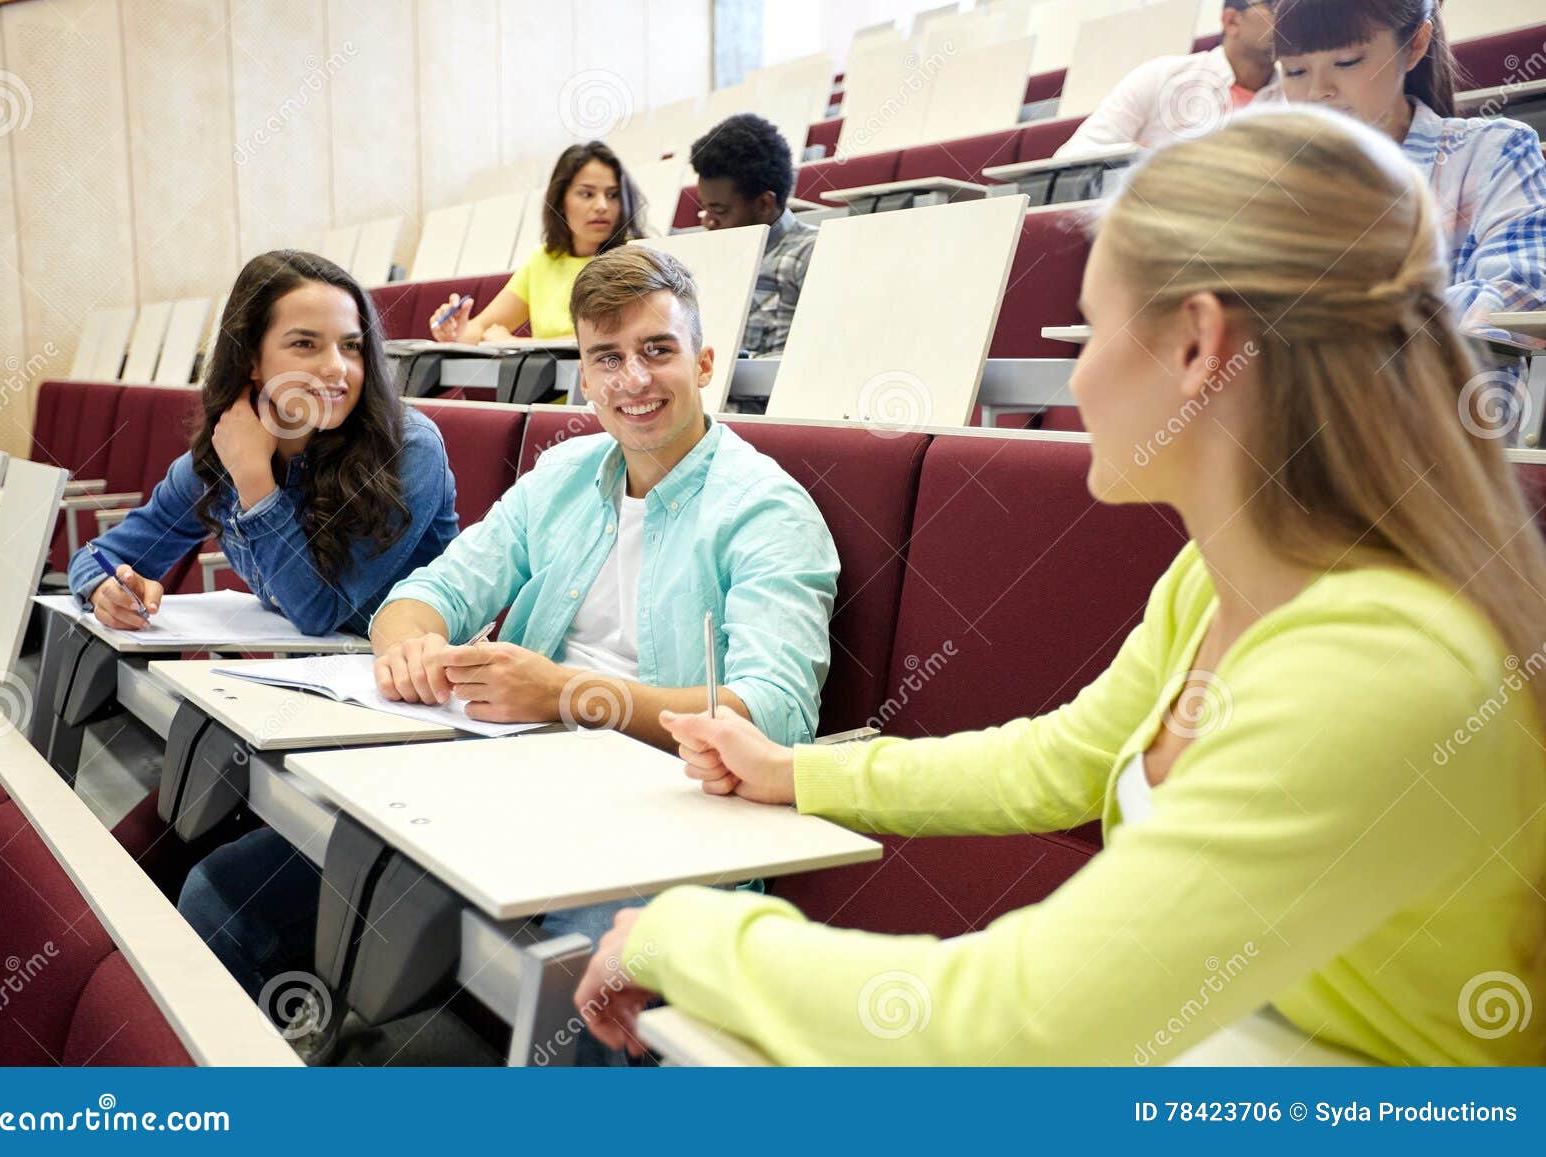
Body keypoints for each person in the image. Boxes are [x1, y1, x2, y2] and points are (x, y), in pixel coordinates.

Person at [572, 108, 1546, 1066]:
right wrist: (798, 773)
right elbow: (1063, 759)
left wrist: (676, 932)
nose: (1071, 382)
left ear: (1200, 346)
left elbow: (1007, 1024)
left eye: (1088, 330)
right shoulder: (1218, 573)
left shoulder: (1377, 664)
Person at [186, 245, 840, 1062]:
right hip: (501, 783)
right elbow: (421, 598)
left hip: (668, 823)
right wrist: (414, 648)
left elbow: (774, 719)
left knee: (566, 981)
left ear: (706, 362)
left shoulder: (769, 511)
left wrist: (567, 693)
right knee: (220, 892)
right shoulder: (563, 475)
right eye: (607, 358)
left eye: (657, 350)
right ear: (585, 378)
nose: (632, 378)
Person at [67, 250, 458, 637]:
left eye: (351, 346)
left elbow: (318, 611)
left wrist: (255, 483)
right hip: (304, 678)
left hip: (418, 685)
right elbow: (97, 557)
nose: (337, 367)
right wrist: (107, 590)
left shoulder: (409, 449)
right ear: (250, 359)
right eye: (306, 344)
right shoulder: (222, 455)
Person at [1274, 0, 1546, 337]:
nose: (1317, 92)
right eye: (1294, 71)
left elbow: (1522, 293)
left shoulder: (1492, 152)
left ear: (1415, 45)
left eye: (1346, 62)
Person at [429, 141, 646, 343]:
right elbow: (483, 328)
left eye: (613, 195)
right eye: (587, 194)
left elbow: (609, 340)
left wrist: (517, 344)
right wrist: (455, 331)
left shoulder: (634, 258)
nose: (602, 206)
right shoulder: (542, 260)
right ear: (561, 202)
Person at [1055, 0, 1281, 157]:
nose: (1289, 19)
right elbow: (1071, 156)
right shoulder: (1161, 76)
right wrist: (1146, 156)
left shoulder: (1301, 95)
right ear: (1231, 21)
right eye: (1275, 6)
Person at [689, 113, 817, 357]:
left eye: (719, 211)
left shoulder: (810, 256)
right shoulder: (709, 255)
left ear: (764, 204)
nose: (707, 221)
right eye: (703, 208)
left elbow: (809, 360)